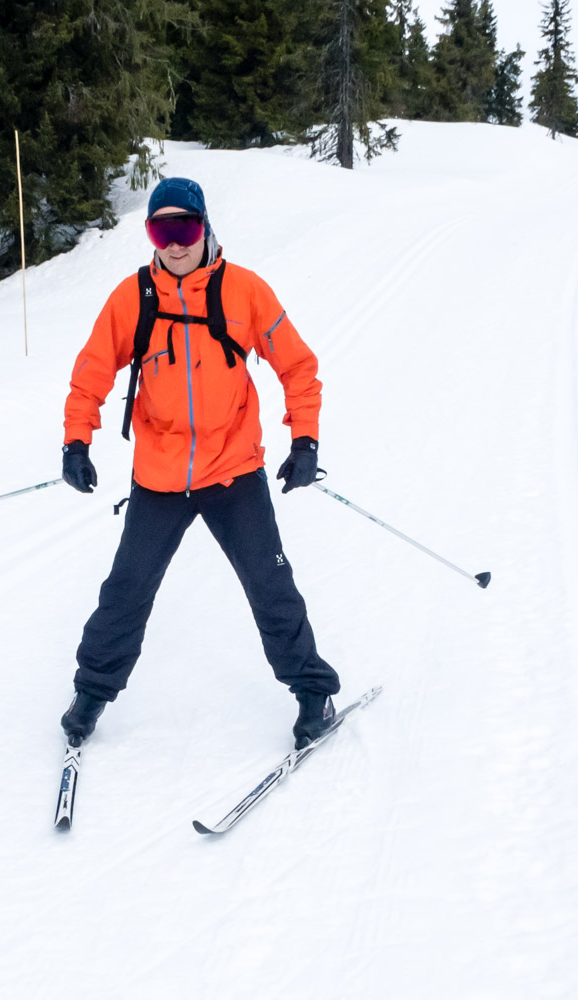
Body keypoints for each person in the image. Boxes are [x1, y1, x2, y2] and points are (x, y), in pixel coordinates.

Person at [58, 176, 342, 750]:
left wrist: (305, 441)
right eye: (161, 229)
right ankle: (91, 691)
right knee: (127, 589)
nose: (175, 242)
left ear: (204, 226)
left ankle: (314, 690)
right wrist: (76, 443)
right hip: (159, 475)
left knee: (270, 584)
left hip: (232, 470)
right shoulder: (133, 297)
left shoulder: (244, 292)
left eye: (184, 227)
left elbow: (298, 367)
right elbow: (91, 371)